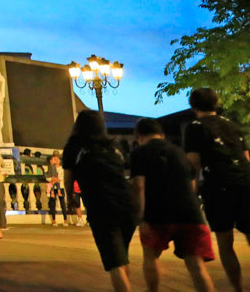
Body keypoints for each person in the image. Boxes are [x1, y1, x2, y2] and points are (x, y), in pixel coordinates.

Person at [131, 117, 216, 292]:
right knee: (196, 266)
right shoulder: (179, 152)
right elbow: (192, 181)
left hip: (157, 213)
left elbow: (139, 185)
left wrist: (140, 217)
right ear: (162, 135)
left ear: (138, 136)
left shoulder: (139, 153)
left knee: (151, 257)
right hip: (189, 212)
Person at [184, 88, 250, 292]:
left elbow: (193, 164)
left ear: (193, 106)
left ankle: (238, 288)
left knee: (225, 241)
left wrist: (190, 195)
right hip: (246, 183)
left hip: (219, 187)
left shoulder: (194, 127)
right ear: (216, 103)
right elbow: (247, 157)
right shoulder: (232, 125)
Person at [62, 109, 136, 292]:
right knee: (122, 256)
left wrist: (70, 197)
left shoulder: (74, 146)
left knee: (115, 263)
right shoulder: (114, 145)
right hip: (128, 204)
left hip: (102, 205)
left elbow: (68, 177)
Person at [46, 151, 68, 226]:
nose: (56, 159)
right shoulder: (51, 167)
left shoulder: (62, 168)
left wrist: (55, 179)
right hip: (53, 186)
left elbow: (62, 178)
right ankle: (54, 220)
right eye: (54, 158)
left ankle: (65, 219)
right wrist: (53, 179)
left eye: (57, 158)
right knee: (52, 203)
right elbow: (48, 177)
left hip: (60, 187)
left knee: (62, 203)